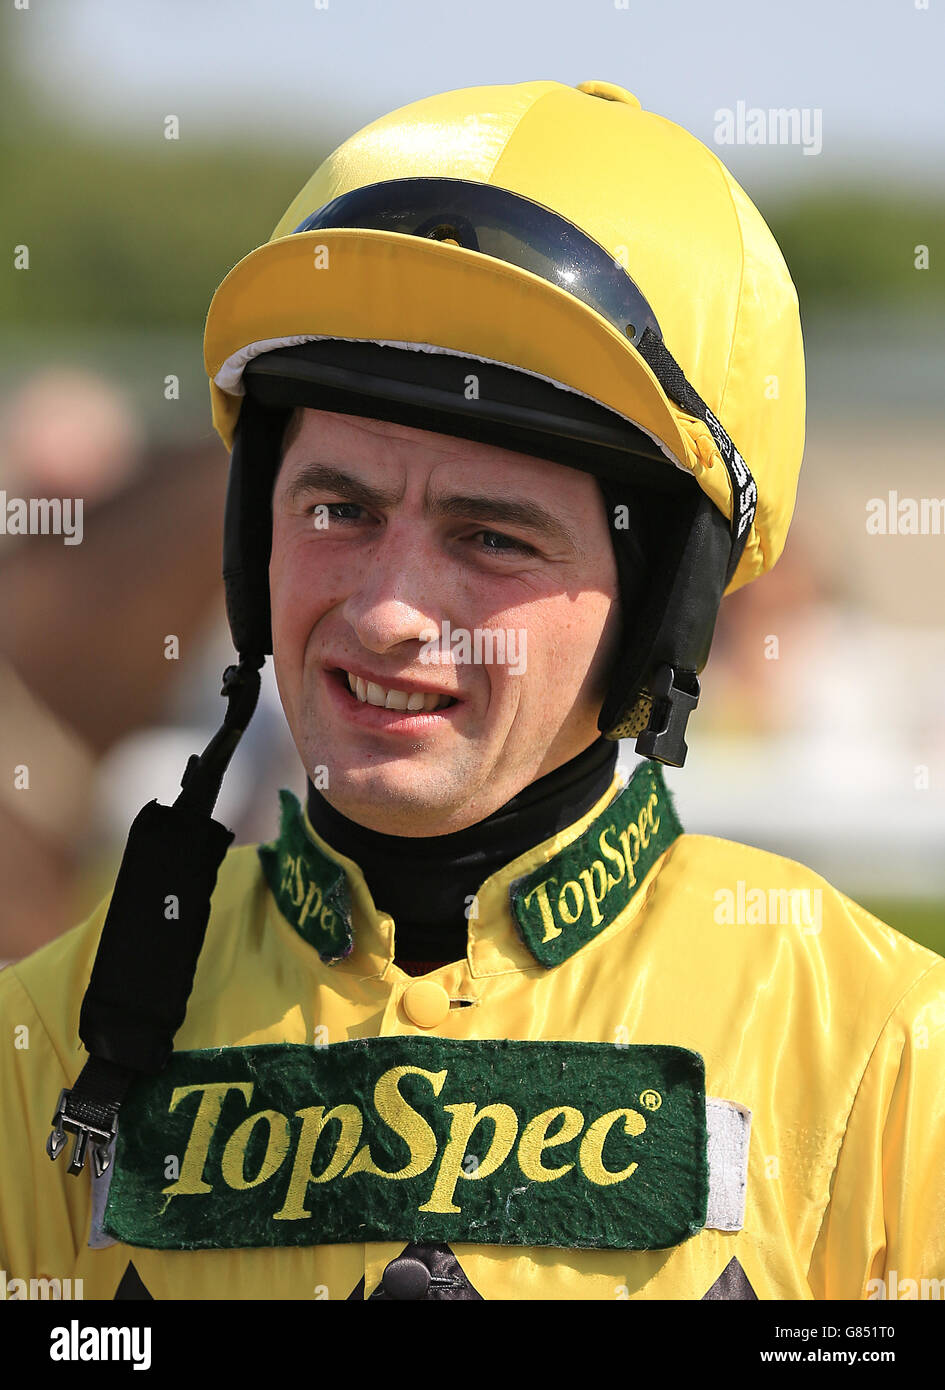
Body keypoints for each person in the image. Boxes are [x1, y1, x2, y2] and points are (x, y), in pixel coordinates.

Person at [1, 78, 943, 1303]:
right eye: (339, 509)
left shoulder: (886, 1051)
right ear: (253, 544)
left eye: (493, 537)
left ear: (664, 605)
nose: (389, 611)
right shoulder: (49, 1041)